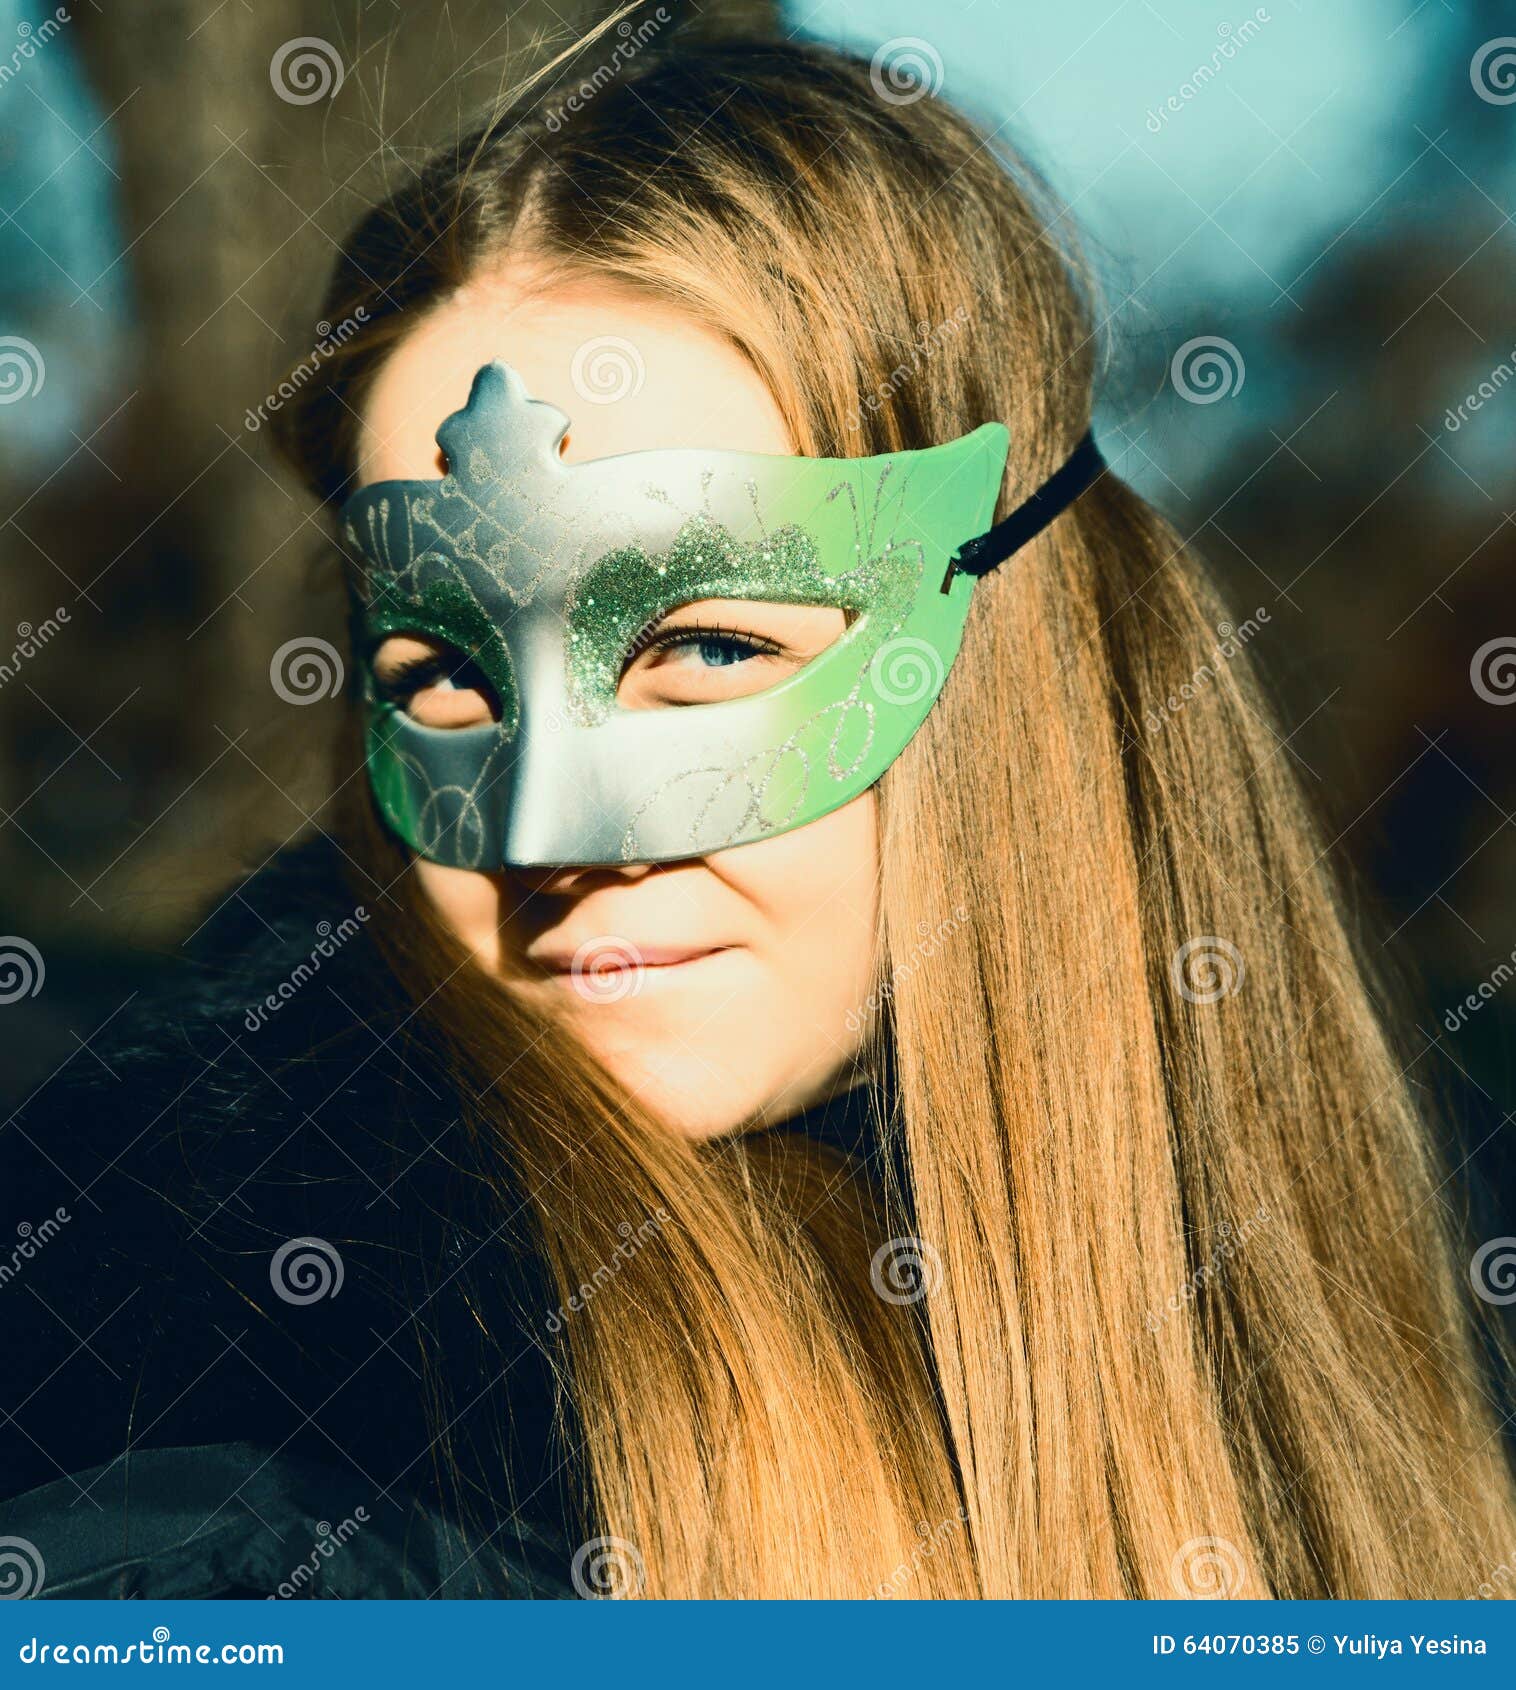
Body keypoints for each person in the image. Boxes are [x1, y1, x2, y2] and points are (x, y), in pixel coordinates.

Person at [2, 18, 1512, 1601]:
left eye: (711, 644)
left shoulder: (1429, 1328)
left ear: (1020, 658)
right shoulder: (230, 1502)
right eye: (444, 674)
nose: (543, 830)